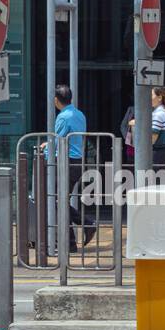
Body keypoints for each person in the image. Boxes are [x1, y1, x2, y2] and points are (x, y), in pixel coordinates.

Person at [40, 84, 93, 251]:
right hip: (76, 162)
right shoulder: (79, 114)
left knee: (57, 201)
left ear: (56, 100)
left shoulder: (63, 117)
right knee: (60, 200)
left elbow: (58, 139)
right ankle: (71, 242)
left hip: (65, 163)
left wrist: (47, 155)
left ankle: (85, 226)